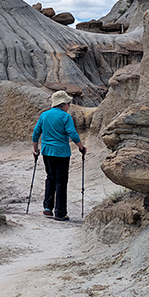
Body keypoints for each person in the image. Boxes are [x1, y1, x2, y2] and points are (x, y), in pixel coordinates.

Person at [32, 90, 86, 221]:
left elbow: (36, 133)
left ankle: (47, 208)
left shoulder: (44, 115)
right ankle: (60, 213)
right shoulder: (65, 117)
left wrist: (35, 150)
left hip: (47, 152)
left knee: (50, 178)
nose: (69, 106)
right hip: (61, 153)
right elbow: (72, 133)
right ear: (62, 104)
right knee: (61, 181)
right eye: (68, 103)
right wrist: (81, 147)